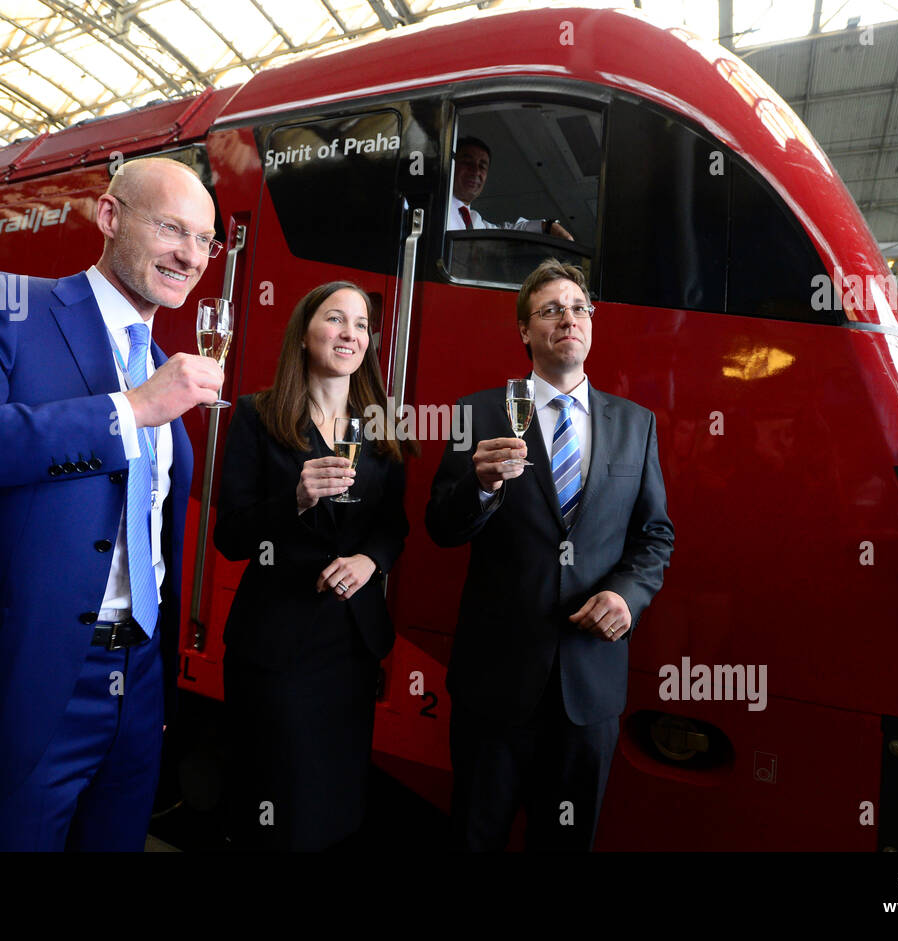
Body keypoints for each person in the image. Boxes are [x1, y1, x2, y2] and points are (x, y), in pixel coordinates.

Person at [0, 157, 225, 851]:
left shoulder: (159, 362)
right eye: (171, 228)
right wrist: (126, 410)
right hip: (19, 684)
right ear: (110, 216)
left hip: (136, 684)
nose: (190, 253)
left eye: (204, 240)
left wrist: (145, 686)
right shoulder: (2, 304)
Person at [426, 258, 673, 851]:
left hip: (589, 686)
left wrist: (626, 596)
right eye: (551, 310)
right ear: (524, 331)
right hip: (496, 683)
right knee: (475, 836)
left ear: (592, 323)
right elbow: (440, 527)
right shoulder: (476, 413)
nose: (568, 318)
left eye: (578, 308)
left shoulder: (635, 425)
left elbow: (655, 535)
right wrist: (479, 487)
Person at [214, 281, 414, 851]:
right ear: (304, 334)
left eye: (361, 324)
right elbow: (230, 536)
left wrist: (368, 562)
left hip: (349, 646)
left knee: (335, 807)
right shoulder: (257, 414)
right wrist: (294, 501)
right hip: (275, 646)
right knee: (275, 804)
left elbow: (392, 526)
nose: (350, 333)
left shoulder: (380, 424)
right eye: (335, 319)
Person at [448, 136, 574, 240]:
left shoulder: (474, 220)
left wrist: (548, 226)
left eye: (482, 166)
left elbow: (508, 231)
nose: (475, 171)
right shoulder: (436, 207)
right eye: (467, 162)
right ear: (451, 164)